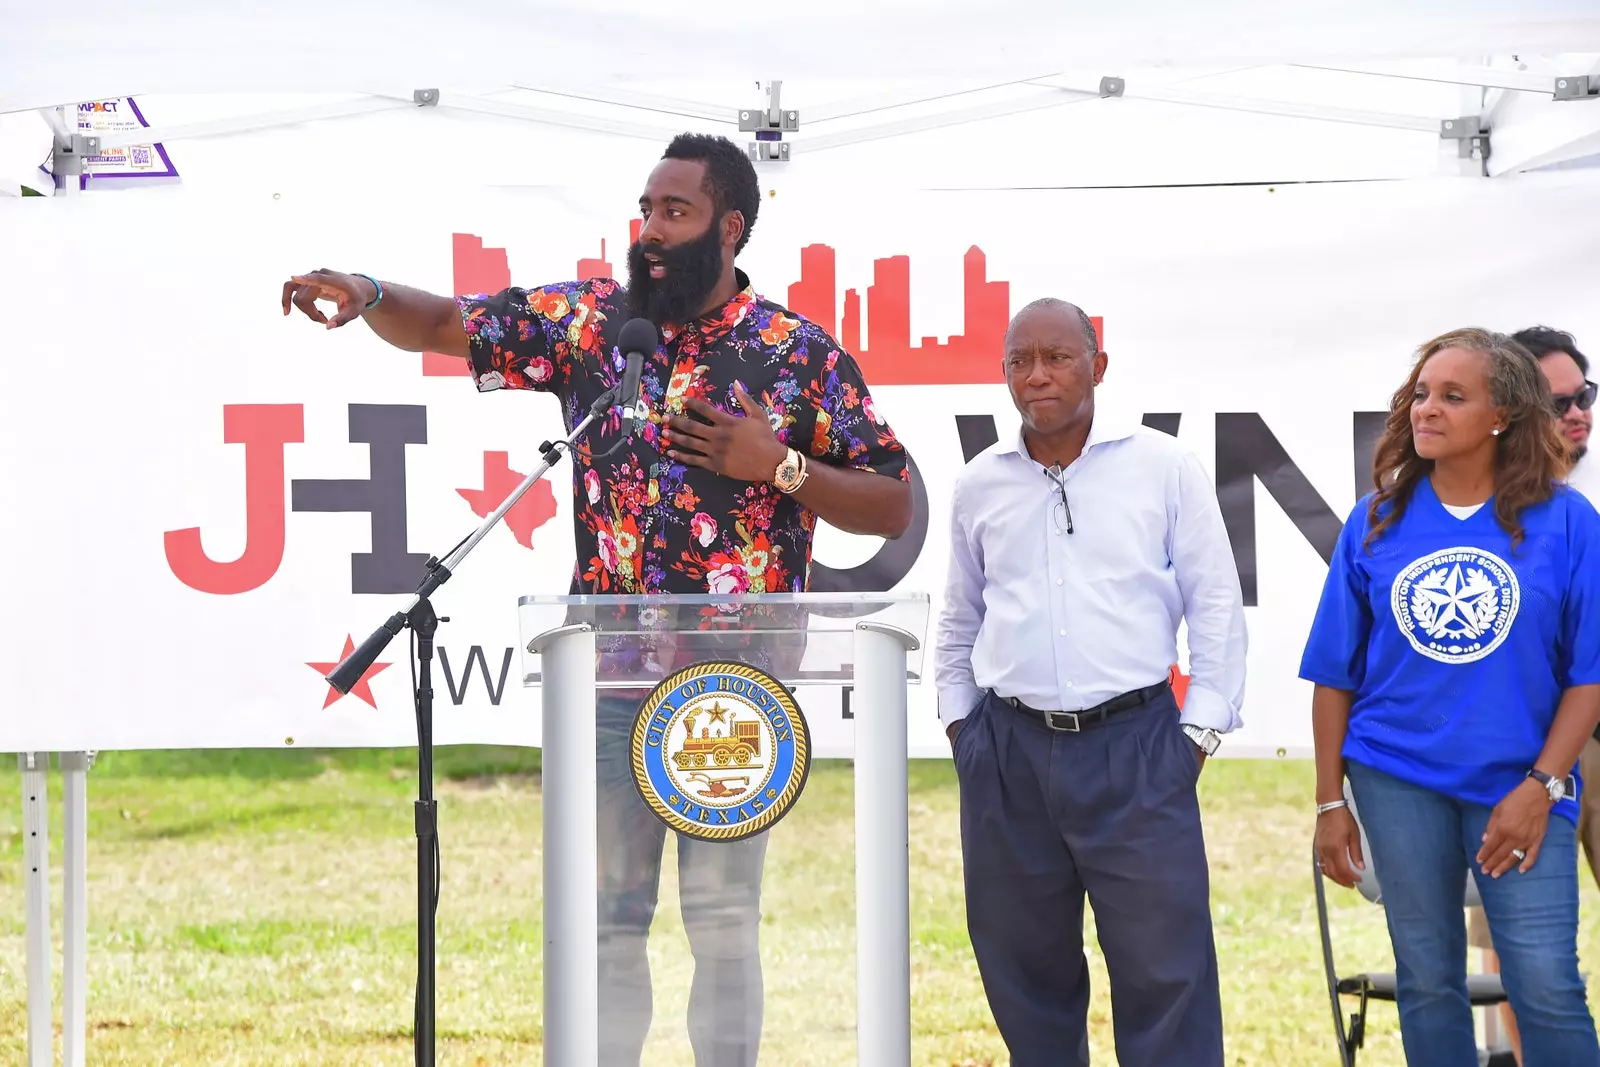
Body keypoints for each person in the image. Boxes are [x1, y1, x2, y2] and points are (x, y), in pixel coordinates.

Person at [281, 132, 913, 1067]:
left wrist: (774, 463)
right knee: (612, 919)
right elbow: (452, 323)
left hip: (733, 699)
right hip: (612, 692)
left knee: (724, 923)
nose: (651, 231)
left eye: (676, 212)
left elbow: (893, 500)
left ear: (730, 228)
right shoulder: (596, 327)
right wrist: (370, 293)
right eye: (647, 211)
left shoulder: (795, 355)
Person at [933, 297, 1247, 1067]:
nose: (1037, 374)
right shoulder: (982, 484)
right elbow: (958, 619)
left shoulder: (1162, 466)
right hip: (1006, 755)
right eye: (1019, 361)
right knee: (1024, 976)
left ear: (1097, 365)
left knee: (1165, 975)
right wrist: (960, 727)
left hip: (1138, 750)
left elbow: (1214, 606)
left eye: (1058, 356)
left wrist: (1195, 735)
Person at [1303, 327, 1600, 1067]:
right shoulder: (1375, 518)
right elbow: (1334, 674)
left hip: (1524, 783)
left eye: (1452, 396)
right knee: (1428, 980)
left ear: (1502, 414)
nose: (1425, 410)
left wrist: (1542, 785)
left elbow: (1588, 677)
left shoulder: (1569, 522)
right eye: (1422, 394)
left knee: (1545, 983)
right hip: (1396, 776)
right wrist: (1330, 801)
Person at [1469, 324, 1600, 1063]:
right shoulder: (1469, 501)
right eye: (1559, 401)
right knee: (1526, 957)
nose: (1578, 412)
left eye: (1585, 394)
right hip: (1523, 750)